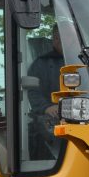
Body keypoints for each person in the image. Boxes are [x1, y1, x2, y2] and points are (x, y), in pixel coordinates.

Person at [25, 24, 66, 161]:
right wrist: (46, 107)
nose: (60, 41)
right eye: (56, 38)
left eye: (65, 37)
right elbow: (32, 91)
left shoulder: (85, 62)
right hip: (52, 119)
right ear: (53, 40)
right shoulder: (41, 63)